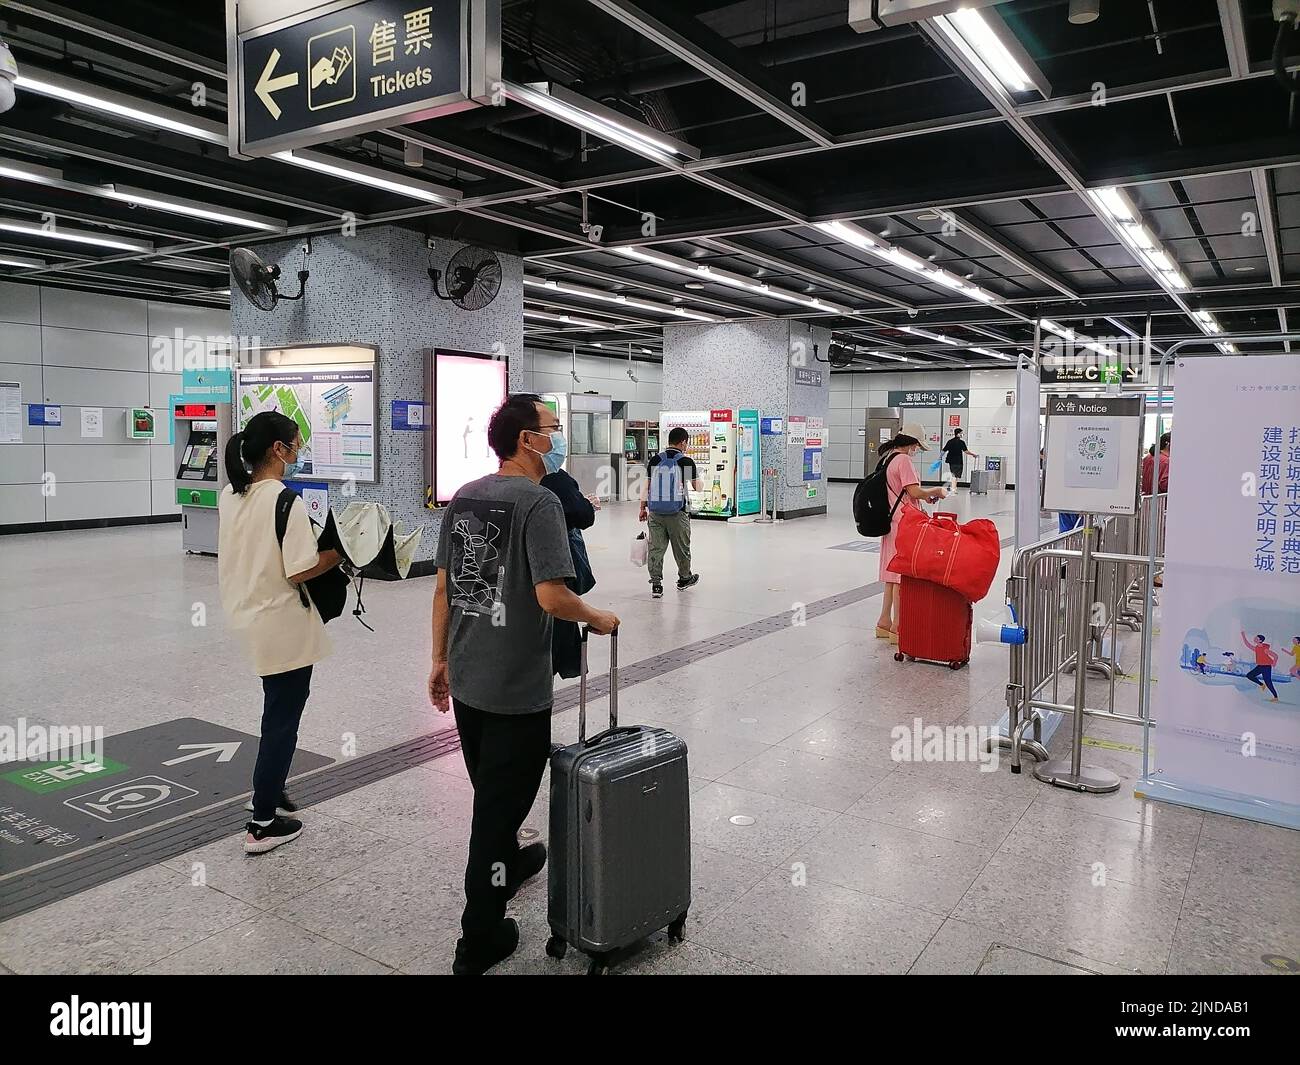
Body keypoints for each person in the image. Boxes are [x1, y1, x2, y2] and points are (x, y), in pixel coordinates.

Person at [429, 394, 620, 975]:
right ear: (524, 440)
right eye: (551, 429)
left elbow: (443, 588)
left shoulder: (466, 496)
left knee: (493, 790)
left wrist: (437, 660)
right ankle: (479, 935)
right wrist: (597, 617)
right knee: (494, 809)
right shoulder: (539, 504)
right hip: (514, 687)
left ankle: (508, 862)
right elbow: (551, 596)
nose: (556, 438)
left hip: (466, 674)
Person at [218, 412, 343, 855]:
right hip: (282, 623)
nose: (297, 451)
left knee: (279, 710)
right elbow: (301, 568)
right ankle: (262, 821)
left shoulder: (231, 496)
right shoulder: (285, 501)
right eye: (295, 443)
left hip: (248, 614)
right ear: (278, 449)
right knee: (281, 722)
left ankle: (275, 784)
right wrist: (336, 554)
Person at [875, 433, 948, 642]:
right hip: (904, 522)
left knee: (890, 572)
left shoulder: (887, 458)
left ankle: (883, 622)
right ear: (911, 445)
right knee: (901, 575)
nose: (917, 452)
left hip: (889, 520)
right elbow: (914, 492)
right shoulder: (904, 460)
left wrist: (926, 496)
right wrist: (936, 491)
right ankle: (898, 626)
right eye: (917, 447)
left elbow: (904, 492)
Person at [541, 461, 598, 679]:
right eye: (553, 427)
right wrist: (596, 617)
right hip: (555, 572)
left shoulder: (493, 486)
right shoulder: (556, 479)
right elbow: (581, 515)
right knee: (555, 630)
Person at [640, 426, 703, 599]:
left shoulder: (655, 460)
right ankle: (684, 578)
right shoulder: (686, 461)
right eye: (686, 443)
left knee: (656, 548)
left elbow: (646, 486)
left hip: (655, 511)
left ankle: (656, 585)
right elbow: (698, 488)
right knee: (681, 547)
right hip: (677, 512)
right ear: (683, 442)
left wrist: (642, 507)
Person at [1241, 630, 1279, 701]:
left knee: (1268, 682)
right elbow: (1247, 644)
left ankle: (1275, 697)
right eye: (1255, 638)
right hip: (1260, 666)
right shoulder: (1256, 648)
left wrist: (1274, 664)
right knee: (1249, 675)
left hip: (1266, 667)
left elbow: (1275, 656)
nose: (1255, 639)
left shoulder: (1265, 649)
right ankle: (1261, 684)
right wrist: (1243, 636)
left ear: (1260, 640)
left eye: (1257, 638)